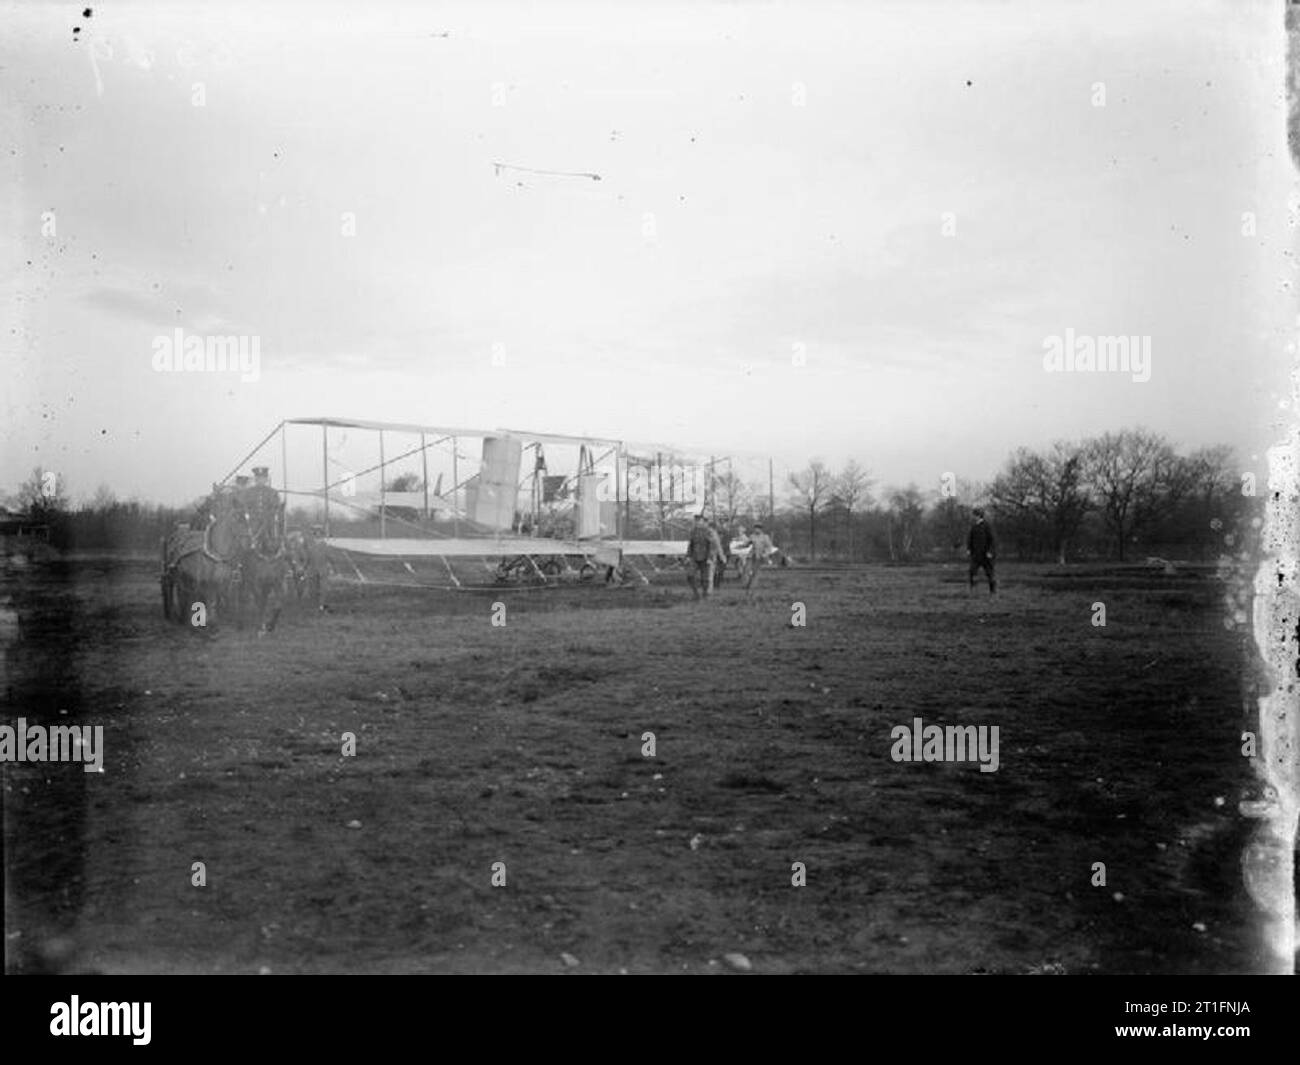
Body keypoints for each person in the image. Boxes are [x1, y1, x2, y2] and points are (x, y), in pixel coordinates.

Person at [685, 513, 725, 600]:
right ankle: (696, 593)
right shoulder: (693, 531)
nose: (697, 523)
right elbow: (691, 544)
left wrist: (710, 558)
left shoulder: (709, 531)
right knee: (690, 575)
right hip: (694, 557)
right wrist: (688, 556)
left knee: (705, 579)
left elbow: (712, 545)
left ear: (703, 522)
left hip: (705, 558)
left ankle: (705, 594)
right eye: (696, 521)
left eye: (699, 521)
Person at [967, 507, 996, 594]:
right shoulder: (974, 527)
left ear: (979, 516)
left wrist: (990, 551)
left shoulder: (987, 526)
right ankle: (973, 589)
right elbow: (970, 539)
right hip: (976, 554)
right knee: (972, 571)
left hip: (986, 555)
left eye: (974, 515)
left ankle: (992, 590)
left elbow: (992, 540)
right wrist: (969, 549)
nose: (973, 517)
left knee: (989, 573)